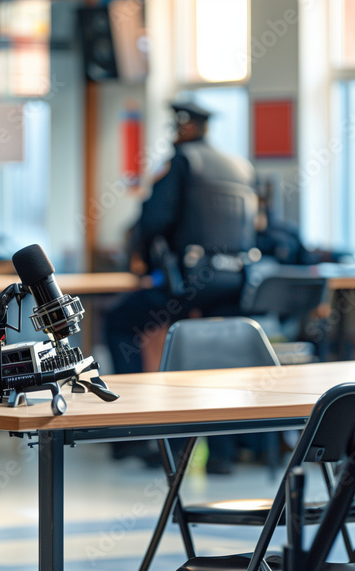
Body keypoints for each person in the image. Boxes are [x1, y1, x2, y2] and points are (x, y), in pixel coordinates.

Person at [105, 101, 259, 472]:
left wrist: (140, 255)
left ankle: (138, 437)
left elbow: (155, 219)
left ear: (187, 128)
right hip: (233, 283)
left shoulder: (181, 163)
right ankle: (222, 456)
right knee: (221, 362)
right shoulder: (240, 166)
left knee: (121, 324)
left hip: (187, 284)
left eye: (178, 125)